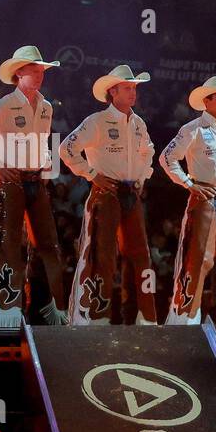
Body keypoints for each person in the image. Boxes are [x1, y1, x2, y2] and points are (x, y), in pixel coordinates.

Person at [0, 45, 67, 326]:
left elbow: (42, 142)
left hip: (34, 180)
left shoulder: (45, 107)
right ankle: (4, 311)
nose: (40, 74)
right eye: (34, 69)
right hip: (11, 181)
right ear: (19, 73)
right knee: (8, 244)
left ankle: (45, 307)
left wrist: (43, 162)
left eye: (41, 70)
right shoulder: (3, 105)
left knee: (48, 244)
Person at [60, 64, 158, 325]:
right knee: (102, 255)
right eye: (127, 88)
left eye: (134, 88)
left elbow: (148, 152)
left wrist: (142, 178)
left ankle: (142, 316)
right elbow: (66, 148)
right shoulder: (97, 121)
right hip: (106, 192)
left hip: (130, 193)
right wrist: (91, 174)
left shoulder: (138, 123)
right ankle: (96, 316)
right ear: (112, 91)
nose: (133, 92)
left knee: (140, 255)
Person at [159, 76, 216, 327]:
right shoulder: (192, 129)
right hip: (205, 199)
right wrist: (189, 184)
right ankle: (186, 319)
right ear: (206, 102)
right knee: (198, 258)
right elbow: (167, 158)